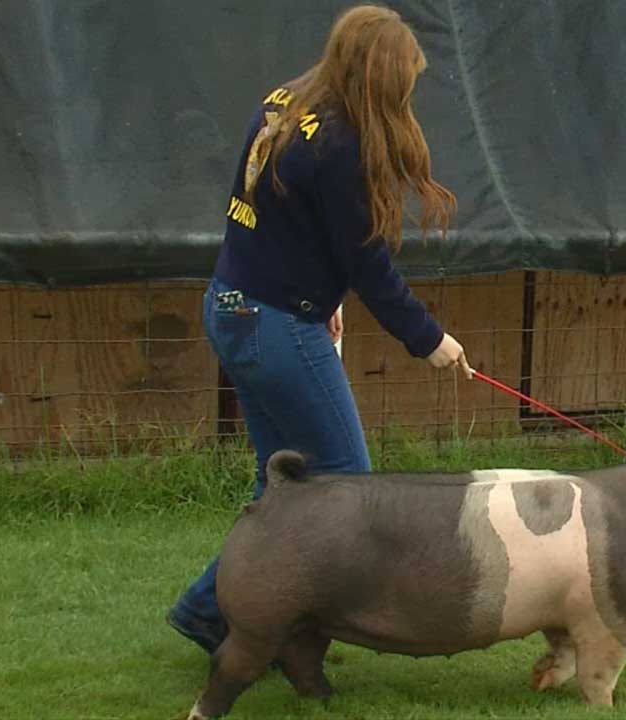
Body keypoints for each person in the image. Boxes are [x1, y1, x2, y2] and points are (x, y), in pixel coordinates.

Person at [167, 4, 471, 655]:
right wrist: (430, 340)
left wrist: (312, 289)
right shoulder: (339, 145)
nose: (408, 97)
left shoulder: (286, 101)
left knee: (286, 486)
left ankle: (213, 615)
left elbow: (264, 210)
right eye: (405, 85)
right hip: (275, 326)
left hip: (234, 304)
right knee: (346, 488)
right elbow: (367, 262)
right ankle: (243, 618)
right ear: (378, 79)